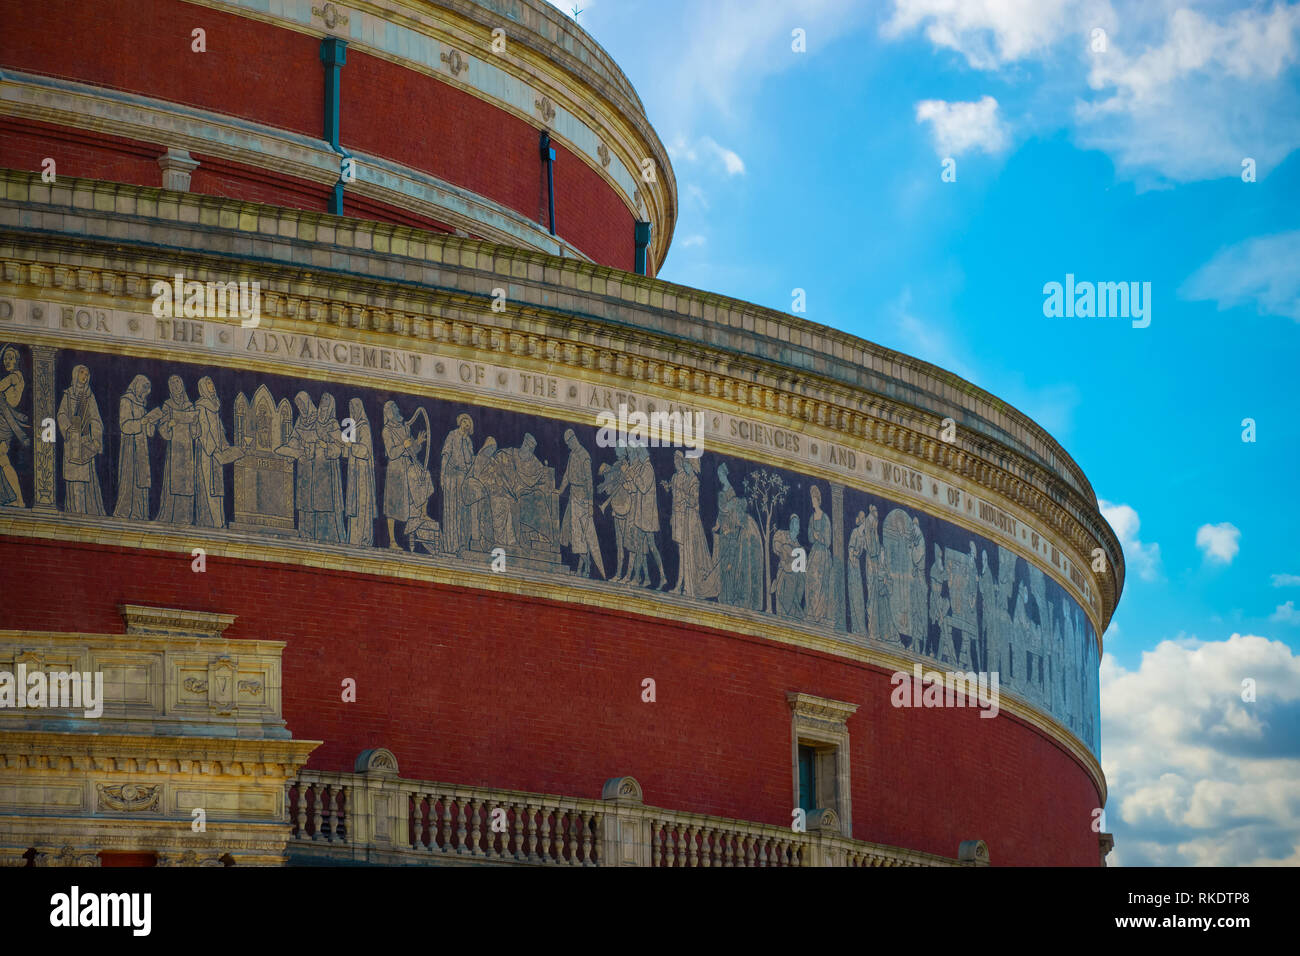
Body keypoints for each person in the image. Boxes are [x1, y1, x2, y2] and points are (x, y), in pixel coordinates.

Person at [664, 452, 718, 598]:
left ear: (692, 466)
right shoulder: (686, 479)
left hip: (692, 520)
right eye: (684, 463)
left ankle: (687, 586)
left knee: (689, 554)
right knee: (684, 554)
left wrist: (683, 497)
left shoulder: (694, 481)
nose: (684, 466)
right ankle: (682, 585)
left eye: (687, 464)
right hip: (686, 518)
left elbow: (694, 502)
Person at [381, 401, 433, 549]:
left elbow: (413, 450)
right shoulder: (387, 430)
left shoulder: (405, 427)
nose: (398, 411)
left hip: (408, 465)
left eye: (397, 409)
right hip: (396, 469)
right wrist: (403, 446)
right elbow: (391, 453)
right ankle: (392, 541)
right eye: (395, 409)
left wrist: (417, 442)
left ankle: (423, 512)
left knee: (425, 475)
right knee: (393, 505)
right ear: (390, 414)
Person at [713, 462, 763, 610]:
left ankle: (735, 596)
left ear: (725, 475)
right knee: (725, 566)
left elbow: (735, 512)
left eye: (721, 476)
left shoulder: (734, 495)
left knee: (735, 564)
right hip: (725, 533)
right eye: (718, 476)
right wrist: (718, 525)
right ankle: (726, 596)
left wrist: (733, 526)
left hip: (734, 534)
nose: (720, 479)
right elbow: (721, 514)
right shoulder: (721, 494)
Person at [57, 365, 105, 515]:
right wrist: (67, 427)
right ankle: (74, 511)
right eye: (82, 373)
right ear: (75, 375)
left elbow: (96, 419)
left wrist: (96, 439)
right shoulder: (68, 394)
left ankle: (82, 512)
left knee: (84, 480)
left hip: (85, 442)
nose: (84, 376)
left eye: (86, 374)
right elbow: (61, 414)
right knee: (73, 479)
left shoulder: (89, 396)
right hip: (72, 441)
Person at [558, 428, 604, 578]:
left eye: (568, 442)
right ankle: (582, 566)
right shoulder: (572, 455)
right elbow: (567, 475)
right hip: (573, 497)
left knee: (581, 537)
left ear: (573, 439)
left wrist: (590, 504)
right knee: (570, 534)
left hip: (582, 500)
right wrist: (560, 491)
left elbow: (589, 482)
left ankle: (585, 567)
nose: (568, 446)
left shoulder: (584, 456)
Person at [195, 376, 236, 529]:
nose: (211, 385)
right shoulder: (201, 406)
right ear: (203, 388)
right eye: (208, 383)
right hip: (207, 453)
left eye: (212, 382)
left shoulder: (214, 406)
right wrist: (214, 450)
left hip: (217, 452)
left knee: (217, 488)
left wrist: (225, 446)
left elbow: (219, 430)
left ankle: (218, 521)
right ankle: (208, 521)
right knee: (207, 486)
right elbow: (204, 431)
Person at [113, 375, 156, 520]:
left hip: (142, 445)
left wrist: (151, 422)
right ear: (136, 385)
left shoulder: (141, 403)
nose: (144, 391)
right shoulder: (126, 400)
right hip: (130, 445)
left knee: (141, 478)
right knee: (129, 477)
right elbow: (124, 425)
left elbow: (149, 433)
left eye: (146, 389)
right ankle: (124, 512)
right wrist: (141, 422)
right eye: (143, 387)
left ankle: (139, 513)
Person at [440, 414, 474, 553]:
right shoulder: (452, 435)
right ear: (460, 422)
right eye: (465, 421)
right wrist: (442, 475)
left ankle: (461, 545)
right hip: (450, 475)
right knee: (450, 510)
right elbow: (446, 455)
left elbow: (469, 461)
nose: (466, 424)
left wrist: (465, 443)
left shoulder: (468, 441)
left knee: (461, 511)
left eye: (469, 423)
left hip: (462, 477)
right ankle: (450, 546)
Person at [0, 345, 29, 507]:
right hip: (4, 422)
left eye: (11, 358)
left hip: (4, 424)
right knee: (3, 461)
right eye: (5, 358)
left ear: (17, 360)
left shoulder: (14, 377)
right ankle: (16, 499)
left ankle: (19, 499)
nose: (7, 361)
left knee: (3, 461)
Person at [344, 398, 376, 546]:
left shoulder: (364, 427)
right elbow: (345, 452)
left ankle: (363, 538)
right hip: (353, 471)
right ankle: (353, 538)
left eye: (354, 408)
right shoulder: (351, 426)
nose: (352, 412)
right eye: (351, 409)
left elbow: (365, 451)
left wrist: (351, 445)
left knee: (362, 503)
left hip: (362, 472)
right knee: (354, 504)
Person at [805, 485, 833, 625]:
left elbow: (828, 540)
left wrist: (819, 536)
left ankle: (819, 614)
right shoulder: (811, 517)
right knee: (811, 578)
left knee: (821, 582)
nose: (812, 502)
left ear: (818, 500)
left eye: (814, 499)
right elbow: (809, 536)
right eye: (811, 499)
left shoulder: (825, 518)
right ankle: (811, 611)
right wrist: (813, 536)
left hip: (822, 554)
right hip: (814, 551)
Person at [772, 513, 805, 620]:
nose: (794, 525)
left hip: (793, 580)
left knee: (790, 603)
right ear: (790, 524)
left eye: (797, 523)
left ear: (799, 527)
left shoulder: (800, 548)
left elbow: (801, 570)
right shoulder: (781, 535)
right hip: (782, 575)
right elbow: (776, 547)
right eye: (793, 522)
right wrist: (783, 554)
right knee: (781, 599)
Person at [846, 510, 868, 635]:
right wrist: (852, 557)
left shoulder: (863, 536)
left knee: (859, 595)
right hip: (852, 564)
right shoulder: (855, 532)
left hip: (857, 565)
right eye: (862, 519)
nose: (863, 521)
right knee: (854, 593)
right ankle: (855, 627)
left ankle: (860, 627)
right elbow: (850, 548)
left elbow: (867, 548)